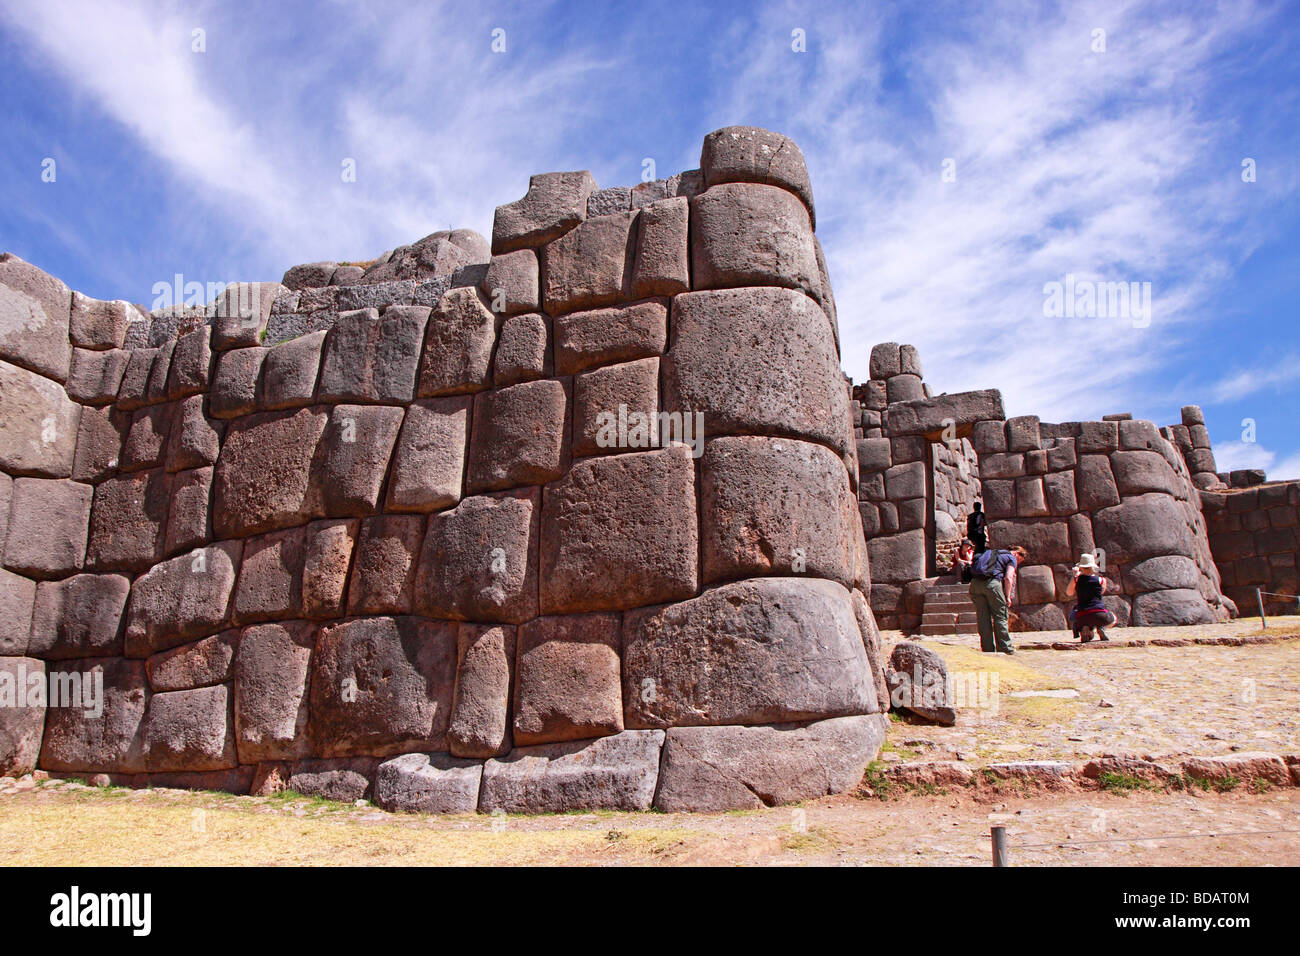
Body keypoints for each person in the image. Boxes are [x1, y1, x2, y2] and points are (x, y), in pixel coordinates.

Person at [967, 544, 1027, 655]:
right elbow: (1009, 577)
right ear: (1017, 553)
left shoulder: (992, 553)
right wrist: (1008, 596)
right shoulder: (1011, 557)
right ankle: (1005, 648)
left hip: (975, 584)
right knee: (1000, 616)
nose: (1018, 563)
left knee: (983, 617)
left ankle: (987, 648)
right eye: (1020, 560)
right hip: (992, 584)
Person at [1067, 553, 1117, 642]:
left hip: (1082, 615)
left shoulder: (1077, 579)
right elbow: (1099, 594)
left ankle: (1086, 629)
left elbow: (1069, 593)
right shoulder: (1101, 580)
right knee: (1113, 618)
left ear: (1080, 567)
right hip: (1099, 613)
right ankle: (1101, 627)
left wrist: (1074, 576)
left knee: (1073, 616)